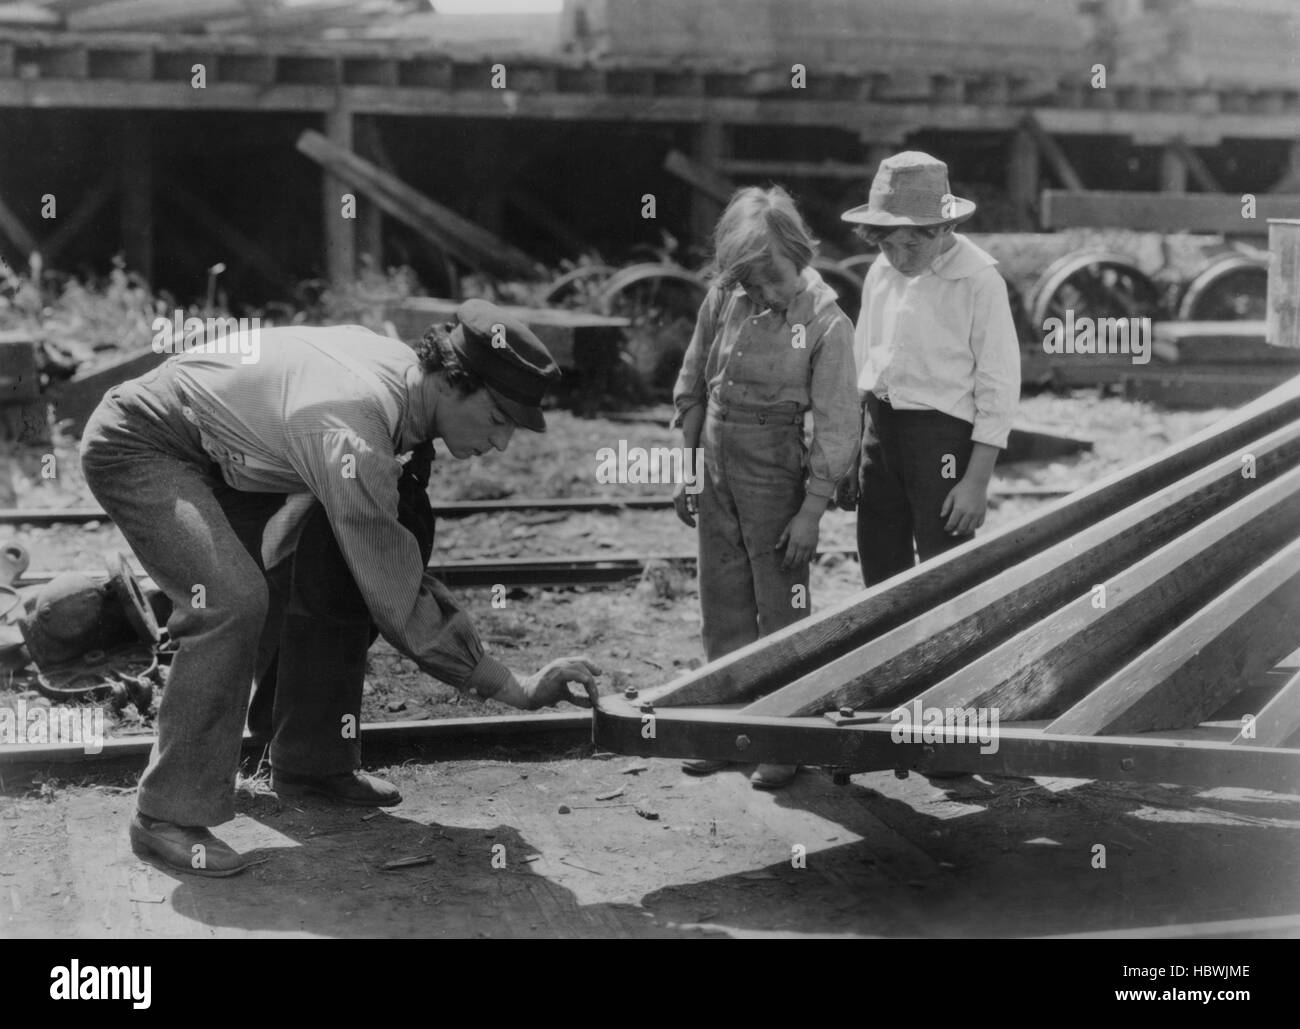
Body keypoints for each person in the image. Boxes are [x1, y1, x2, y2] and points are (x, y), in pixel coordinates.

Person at [79, 301, 601, 877]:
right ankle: (164, 816)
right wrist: (512, 686)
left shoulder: (404, 383)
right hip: (144, 442)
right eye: (499, 418)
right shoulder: (353, 426)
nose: (501, 442)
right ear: (454, 382)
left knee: (341, 561)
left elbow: (376, 550)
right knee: (231, 601)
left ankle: (311, 763)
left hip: (229, 453)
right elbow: (396, 588)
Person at [671, 186, 860, 790]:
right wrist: (688, 468)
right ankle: (727, 728)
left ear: (798, 253)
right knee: (722, 596)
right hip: (715, 455)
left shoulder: (826, 322)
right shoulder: (724, 297)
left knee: (782, 603)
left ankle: (783, 736)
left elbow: (838, 426)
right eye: (751, 282)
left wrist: (811, 512)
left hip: (775, 465)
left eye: (774, 278)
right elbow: (693, 384)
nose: (765, 292)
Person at [838, 152, 1020, 585]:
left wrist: (976, 482)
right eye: (887, 245)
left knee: (946, 568)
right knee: (880, 561)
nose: (899, 257)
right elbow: (863, 362)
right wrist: (850, 453)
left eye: (912, 245)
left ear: (944, 227)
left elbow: (998, 385)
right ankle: (889, 631)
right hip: (879, 433)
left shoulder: (979, 280)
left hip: (941, 440)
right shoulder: (881, 272)